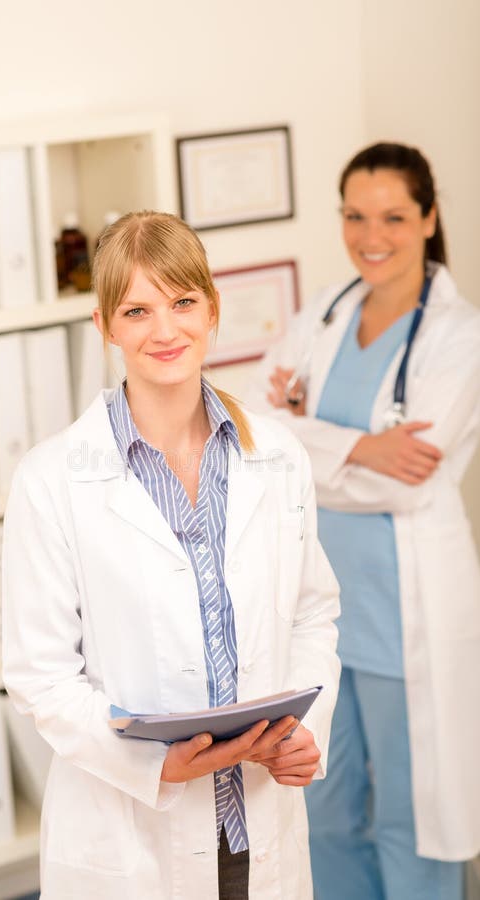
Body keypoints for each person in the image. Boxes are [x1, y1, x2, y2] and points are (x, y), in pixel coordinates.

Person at [1, 211, 341, 900]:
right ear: (105, 327)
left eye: (183, 302)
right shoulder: (52, 479)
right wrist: (154, 767)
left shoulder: (274, 456)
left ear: (211, 310)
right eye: (137, 309)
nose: (165, 330)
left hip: (256, 823)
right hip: (129, 834)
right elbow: (40, 675)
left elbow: (311, 616)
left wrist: (306, 730)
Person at [248, 142, 480, 900]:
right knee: (321, 802)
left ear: (427, 218)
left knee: (414, 813)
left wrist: (304, 437)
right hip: (319, 611)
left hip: (402, 613)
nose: (368, 234)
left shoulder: (458, 336)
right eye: (353, 214)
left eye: (391, 216)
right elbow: (257, 434)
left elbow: (411, 485)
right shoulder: (324, 309)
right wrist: (359, 448)